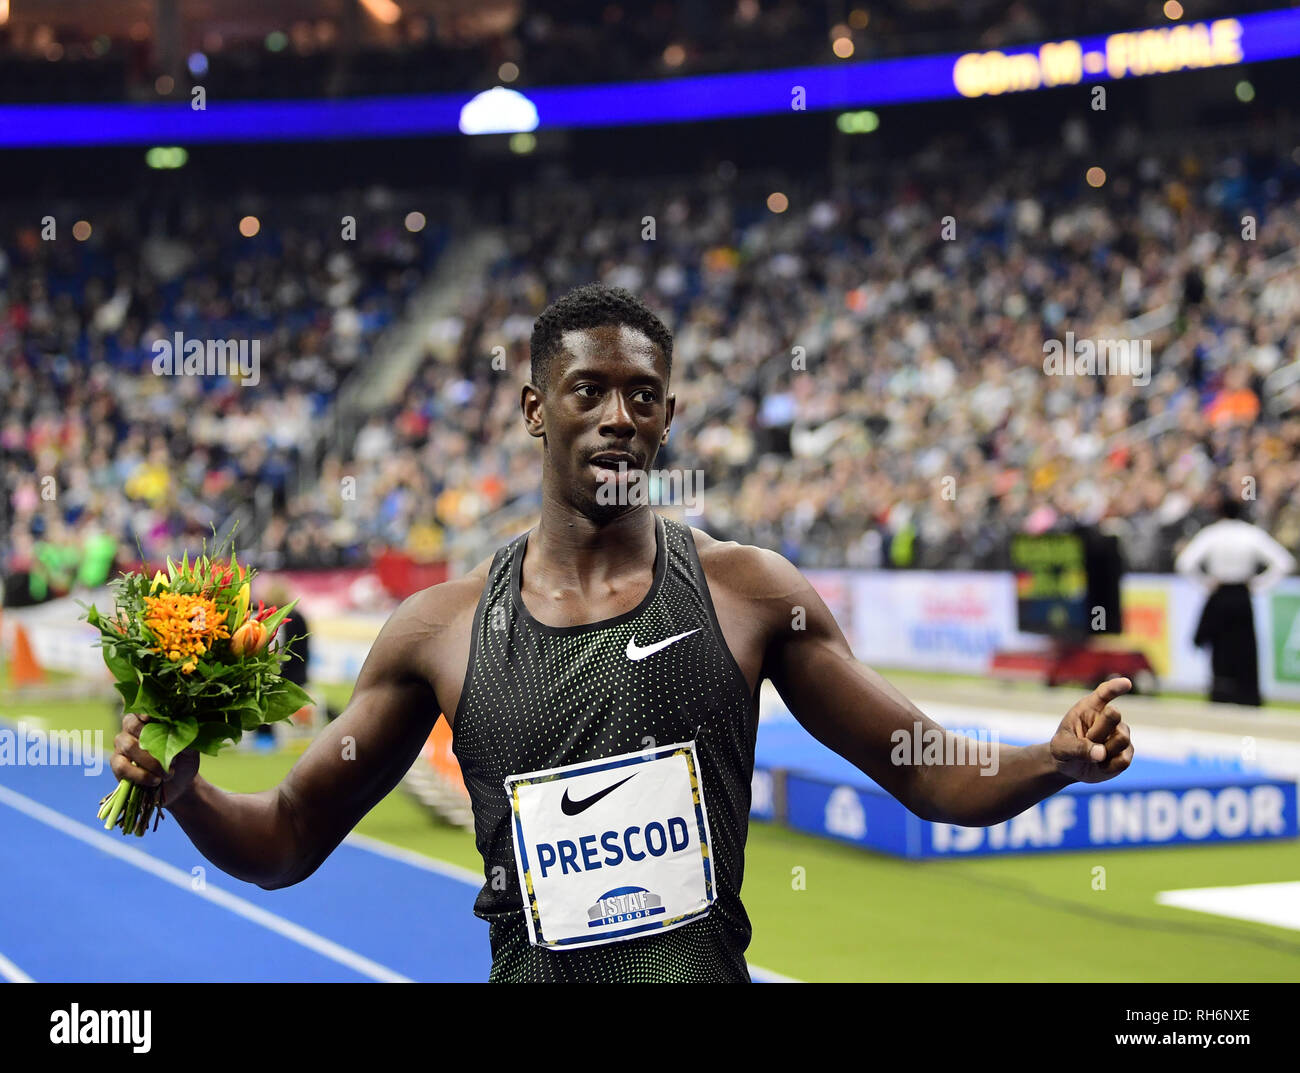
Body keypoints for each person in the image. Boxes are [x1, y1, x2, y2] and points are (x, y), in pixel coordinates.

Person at [109, 284, 1135, 983]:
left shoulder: (746, 593)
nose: (616, 416)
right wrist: (187, 791)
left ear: (669, 416)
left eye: (642, 395)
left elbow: (929, 774)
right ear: (532, 409)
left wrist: (1052, 757)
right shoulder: (440, 630)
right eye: (586, 390)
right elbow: (287, 838)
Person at [1176, 492, 1296, 705]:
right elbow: (1284, 563)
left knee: (1220, 649)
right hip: (1241, 596)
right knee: (1244, 648)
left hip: (1220, 596)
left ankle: (1221, 694)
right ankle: (1246, 696)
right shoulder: (1250, 534)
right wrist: (1259, 584)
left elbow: (1184, 563)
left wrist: (1205, 583)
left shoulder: (1211, 534)